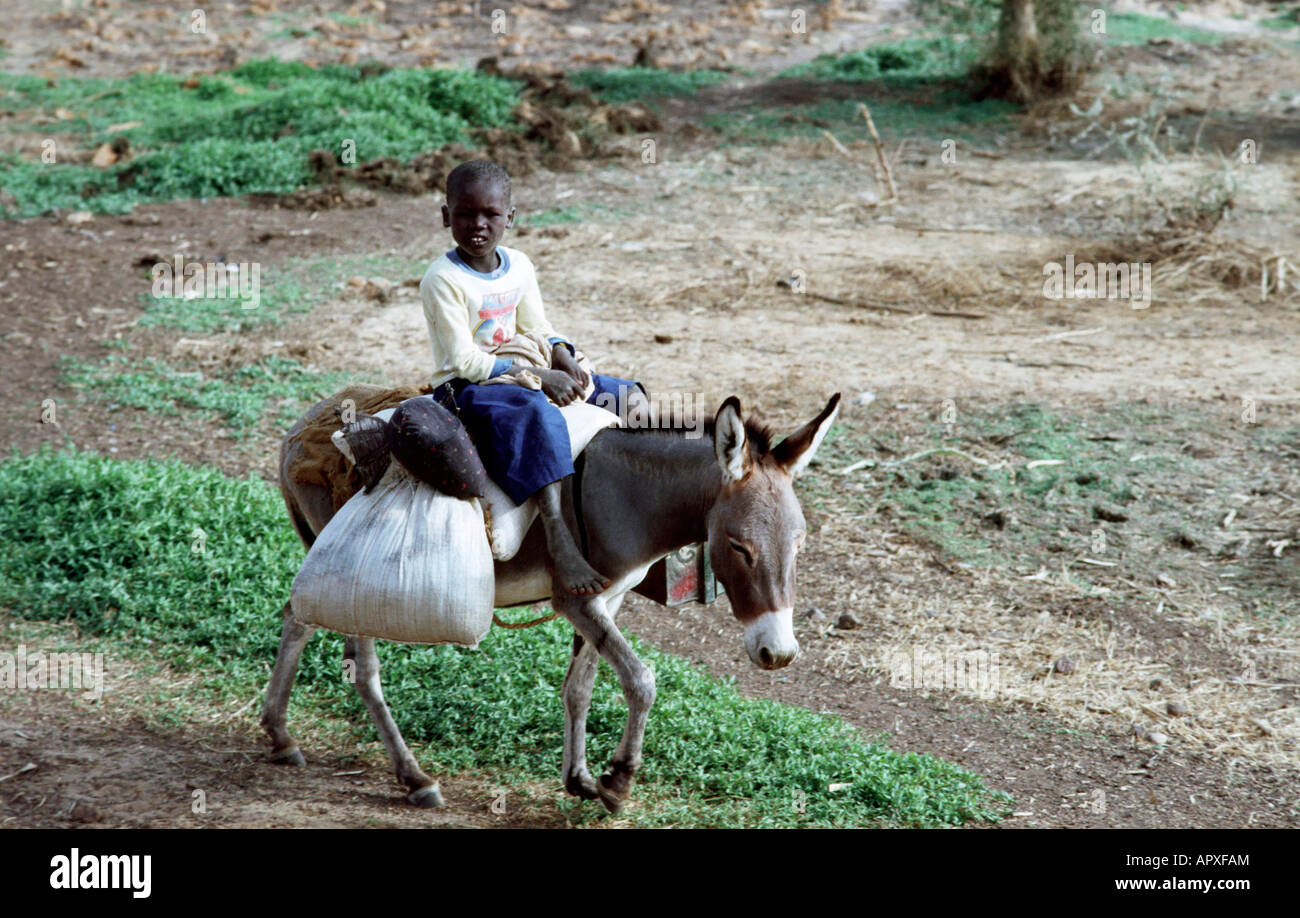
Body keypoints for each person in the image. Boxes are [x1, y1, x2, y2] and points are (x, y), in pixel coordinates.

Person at [411, 160, 647, 595]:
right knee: (534, 413)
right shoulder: (442, 279)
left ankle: (628, 514)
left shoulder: (518, 265)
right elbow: (464, 361)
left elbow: (537, 325)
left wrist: (562, 353)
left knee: (627, 397)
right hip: (466, 389)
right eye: (464, 214)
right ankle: (558, 536)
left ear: (511, 217)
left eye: (491, 214)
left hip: (524, 366)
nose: (477, 225)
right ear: (446, 216)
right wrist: (539, 377)